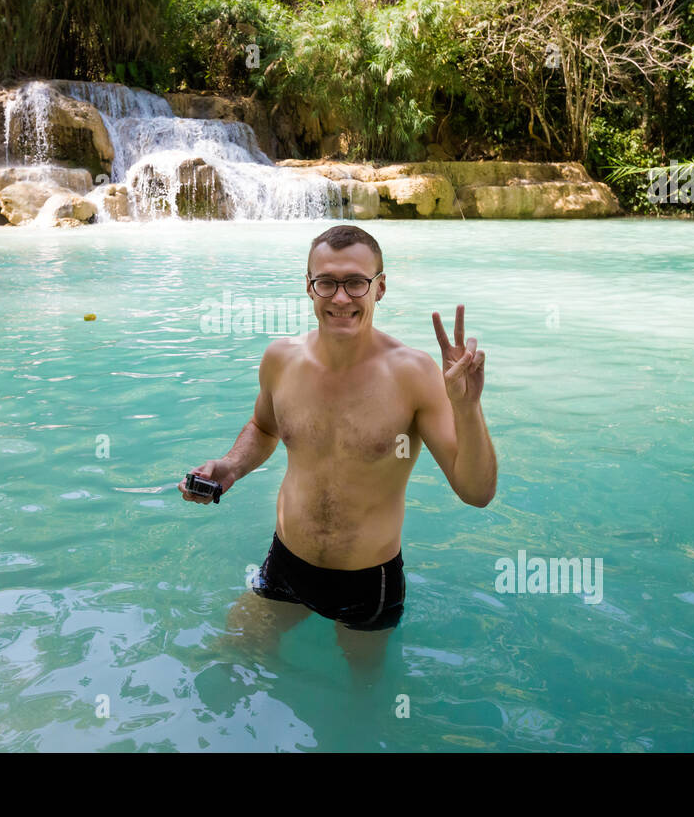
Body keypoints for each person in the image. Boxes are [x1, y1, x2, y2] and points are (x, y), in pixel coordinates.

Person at [179, 224, 496, 669]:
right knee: (232, 660)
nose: (341, 298)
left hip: (368, 584)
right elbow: (265, 428)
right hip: (285, 566)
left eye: (355, 282)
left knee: (361, 700)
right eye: (326, 282)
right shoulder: (281, 360)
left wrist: (468, 408)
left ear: (379, 288)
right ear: (308, 287)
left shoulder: (414, 374)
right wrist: (231, 466)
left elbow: (476, 492)